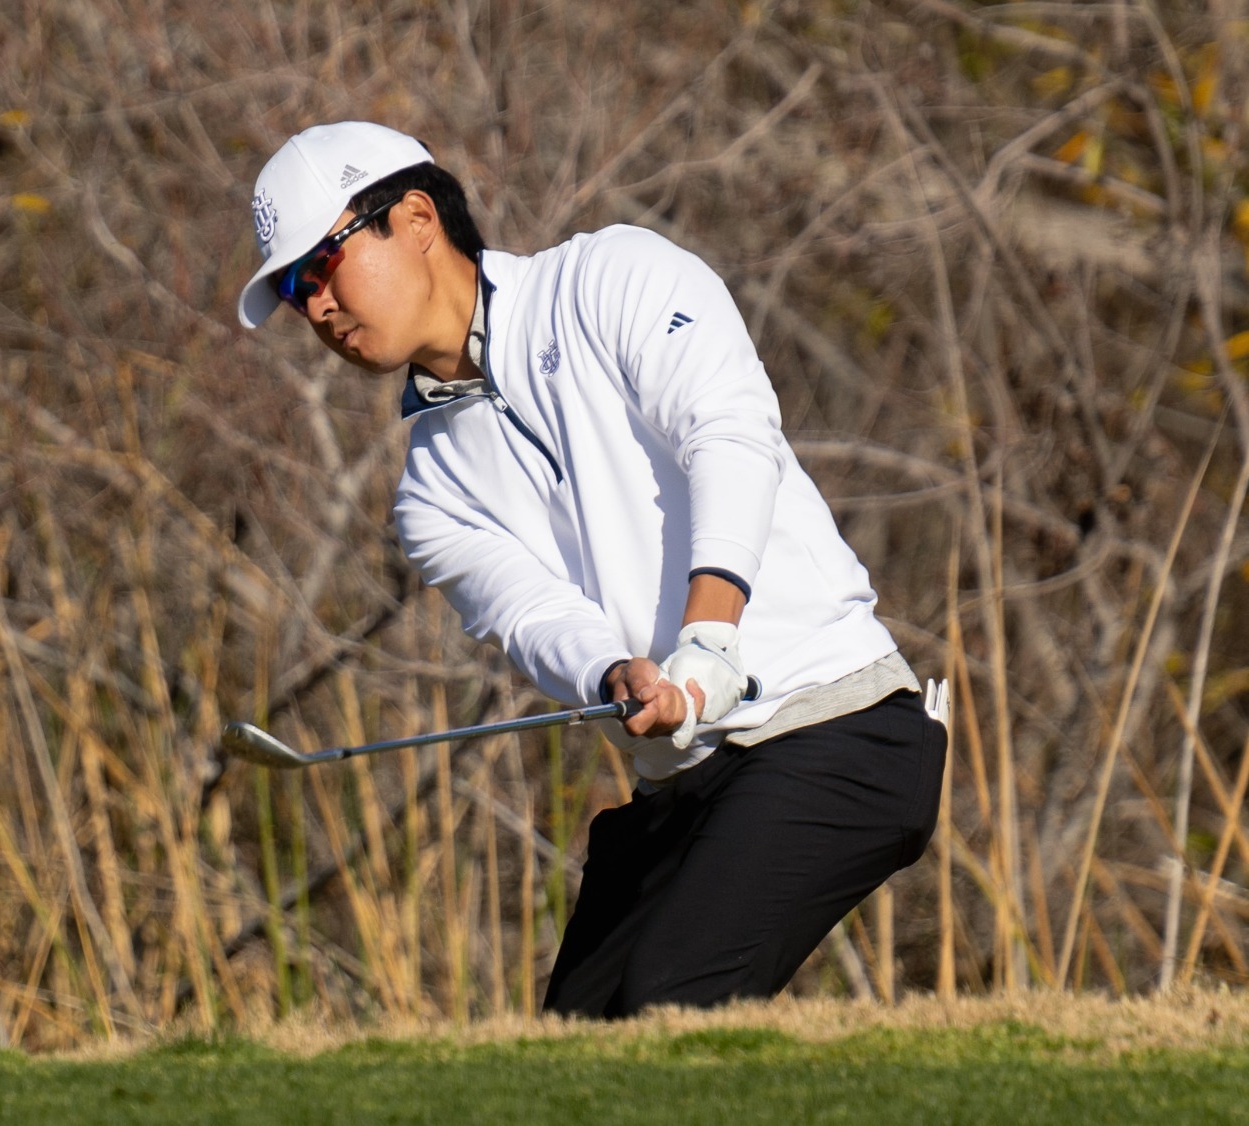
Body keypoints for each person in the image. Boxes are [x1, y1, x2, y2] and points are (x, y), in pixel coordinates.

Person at [235, 121, 947, 1018]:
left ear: (416, 217)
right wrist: (618, 675)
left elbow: (728, 436)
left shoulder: (609, 277)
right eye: (294, 295)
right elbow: (534, 618)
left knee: (667, 1008)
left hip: (838, 727)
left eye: (320, 267)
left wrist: (709, 641)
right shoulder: (430, 494)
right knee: (574, 1047)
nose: (317, 308)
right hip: (685, 782)